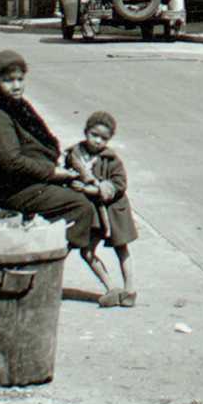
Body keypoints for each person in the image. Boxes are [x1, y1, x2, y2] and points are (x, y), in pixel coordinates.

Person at [0, 50, 115, 298]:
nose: (16, 86)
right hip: (6, 189)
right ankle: (39, 271)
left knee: (83, 198)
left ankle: (40, 266)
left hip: (24, 182)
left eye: (20, 79)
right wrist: (53, 173)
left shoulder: (14, 106)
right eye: (8, 80)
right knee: (80, 206)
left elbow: (38, 145)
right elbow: (10, 161)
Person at [64, 110, 140, 308]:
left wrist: (92, 188)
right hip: (92, 212)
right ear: (85, 131)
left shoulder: (111, 160)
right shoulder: (74, 155)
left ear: (109, 139)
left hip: (114, 210)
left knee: (121, 247)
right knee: (87, 251)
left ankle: (130, 290)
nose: (97, 141)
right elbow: (67, 174)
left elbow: (119, 185)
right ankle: (111, 289)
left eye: (103, 138)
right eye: (94, 135)